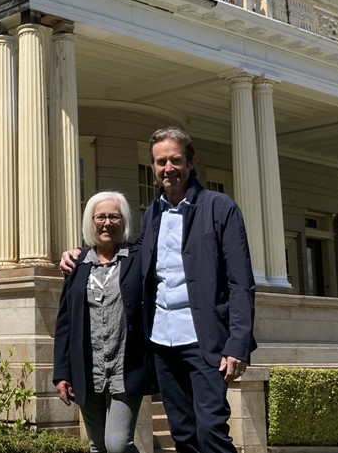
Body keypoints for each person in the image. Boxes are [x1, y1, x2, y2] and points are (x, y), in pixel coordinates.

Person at [61, 127, 256, 453]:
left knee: (211, 431)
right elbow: (125, 257)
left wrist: (238, 344)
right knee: (183, 435)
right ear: (153, 167)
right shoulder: (152, 214)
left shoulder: (220, 208)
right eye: (160, 162)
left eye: (175, 160)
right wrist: (80, 255)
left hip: (205, 341)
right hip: (162, 344)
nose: (168, 168)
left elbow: (241, 283)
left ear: (191, 162)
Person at [53, 191, 152, 453]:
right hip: (88, 371)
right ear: (91, 221)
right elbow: (65, 323)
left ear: (124, 221)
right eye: (100, 217)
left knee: (118, 445)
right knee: (97, 445)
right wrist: (61, 373)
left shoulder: (138, 258)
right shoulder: (76, 264)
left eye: (114, 217)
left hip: (125, 369)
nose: (107, 223)